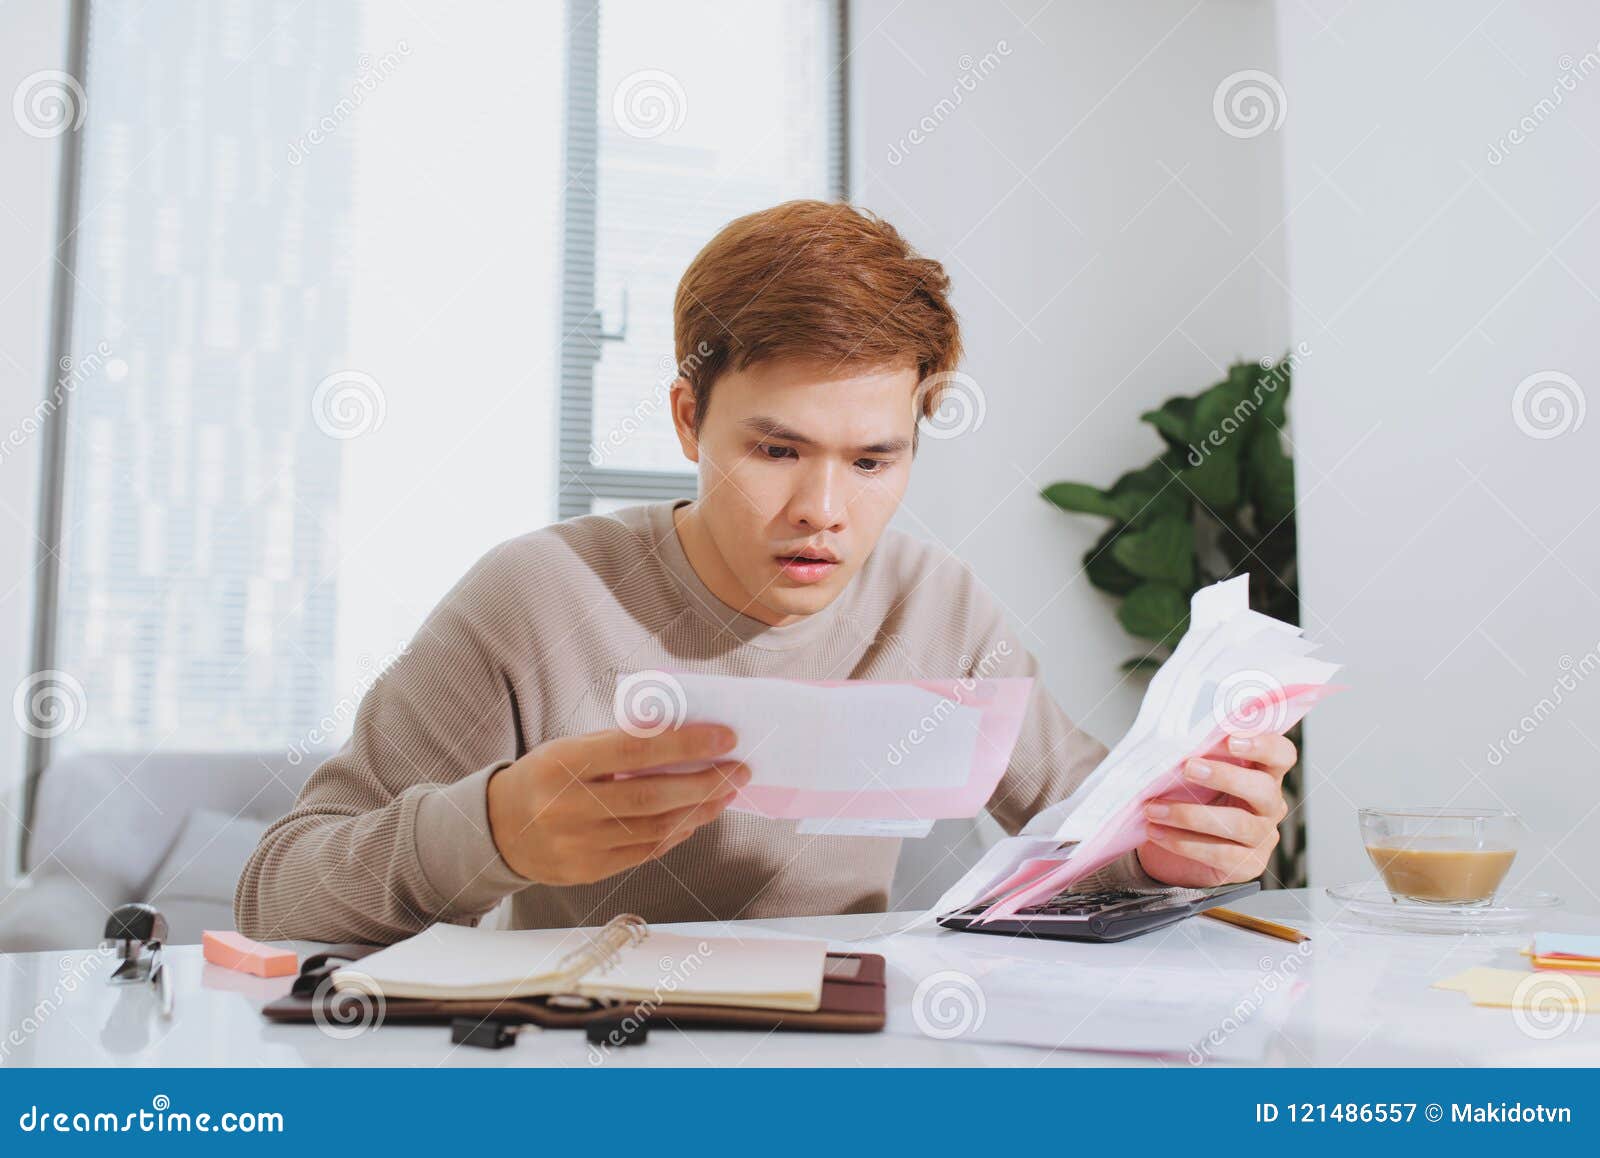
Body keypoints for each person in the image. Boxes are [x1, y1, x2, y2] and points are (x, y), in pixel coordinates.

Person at [234, 200, 1296, 944]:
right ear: (689, 418)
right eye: (775, 451)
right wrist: (494, 829)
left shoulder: (941, 606)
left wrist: (1178, 851)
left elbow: (1084, 853)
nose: (823, 514)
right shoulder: (536, 598)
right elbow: (276, 897)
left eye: (874, 461)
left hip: (838, 1076)